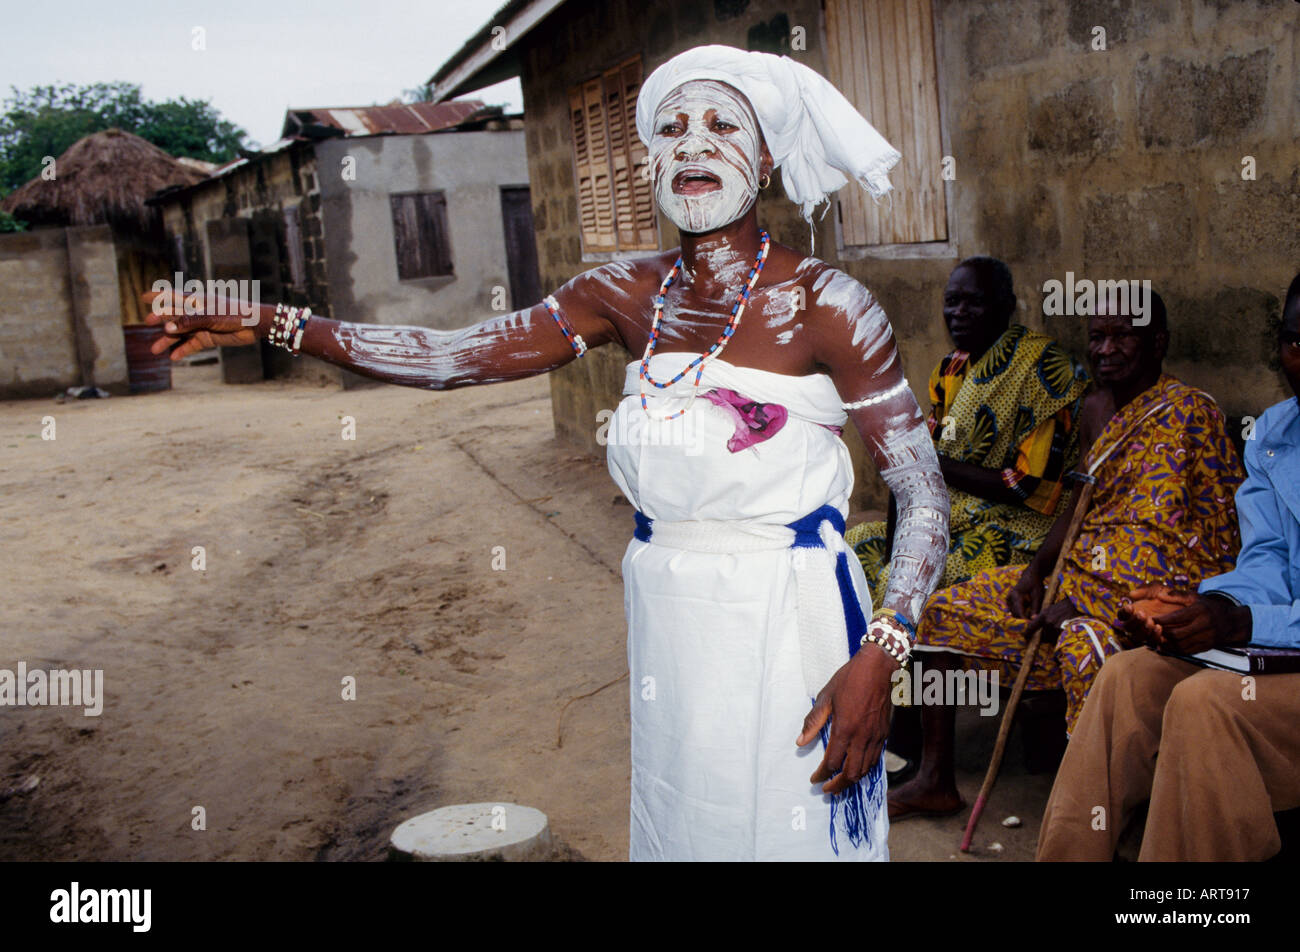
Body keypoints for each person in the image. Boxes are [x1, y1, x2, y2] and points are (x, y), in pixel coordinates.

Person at [143, 45, 949, 861]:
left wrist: (879, 660)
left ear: (767, 157)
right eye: (671, 129)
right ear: (652, 164)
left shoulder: (831, 306)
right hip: (673, 622)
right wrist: (276, 322)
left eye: (721, 126)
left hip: (793, 616)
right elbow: (446, 355)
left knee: (792, 831)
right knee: (692, 823)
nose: (694, 145)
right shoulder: (621, 295)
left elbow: (923, 497)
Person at [887, 292, 1245, 820]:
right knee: (943, 610)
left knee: (1082, 644)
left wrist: (1101, 609)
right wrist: (1037, 571)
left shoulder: (1193, 414)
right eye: (1097, 336)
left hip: (1143, 604)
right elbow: (1080, 502)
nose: (1105, 349)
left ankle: (1105, 816)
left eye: (1123, 335)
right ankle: (935, 779)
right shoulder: (1096, 409)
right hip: (1074, 579)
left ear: (1158, 342)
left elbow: (1223, 541)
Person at [1037, 274, 1300, 862]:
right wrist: (1209, 610)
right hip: (1277, 650)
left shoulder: (1189, 414)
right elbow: (1265, 561)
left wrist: (1243, 625)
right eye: (1293, 342)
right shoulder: (1278, 435)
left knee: (1203, 704)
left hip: (1278, 652)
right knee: (1126, 678)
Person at [847, 257, 1088, 607]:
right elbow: (920, 457)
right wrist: (898, 537)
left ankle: (901, 659)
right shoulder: (951, 368)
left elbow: (1023, 485)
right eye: (952, 301)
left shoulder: (1044, 370)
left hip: (1023, 526)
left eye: (974, 301)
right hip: (953, 511)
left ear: (1006, 306)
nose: (959, 311)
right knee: (854, 550)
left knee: (906, 579)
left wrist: (931, 463)